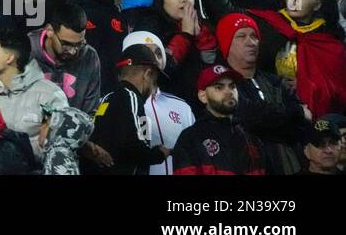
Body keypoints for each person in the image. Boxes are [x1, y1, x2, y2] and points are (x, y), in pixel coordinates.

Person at [85, 43, 169, 175]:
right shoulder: (133, 99)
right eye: (154, 80)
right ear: (147, 74)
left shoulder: (105, 98)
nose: (153, 87)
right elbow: (136, 147)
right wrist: (159, 153)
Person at [171, 65, 266, 175]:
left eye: (232, 86)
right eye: (219, 87)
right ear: (203, 96)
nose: (229, 91)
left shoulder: (252, 138)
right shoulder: (190, 139)